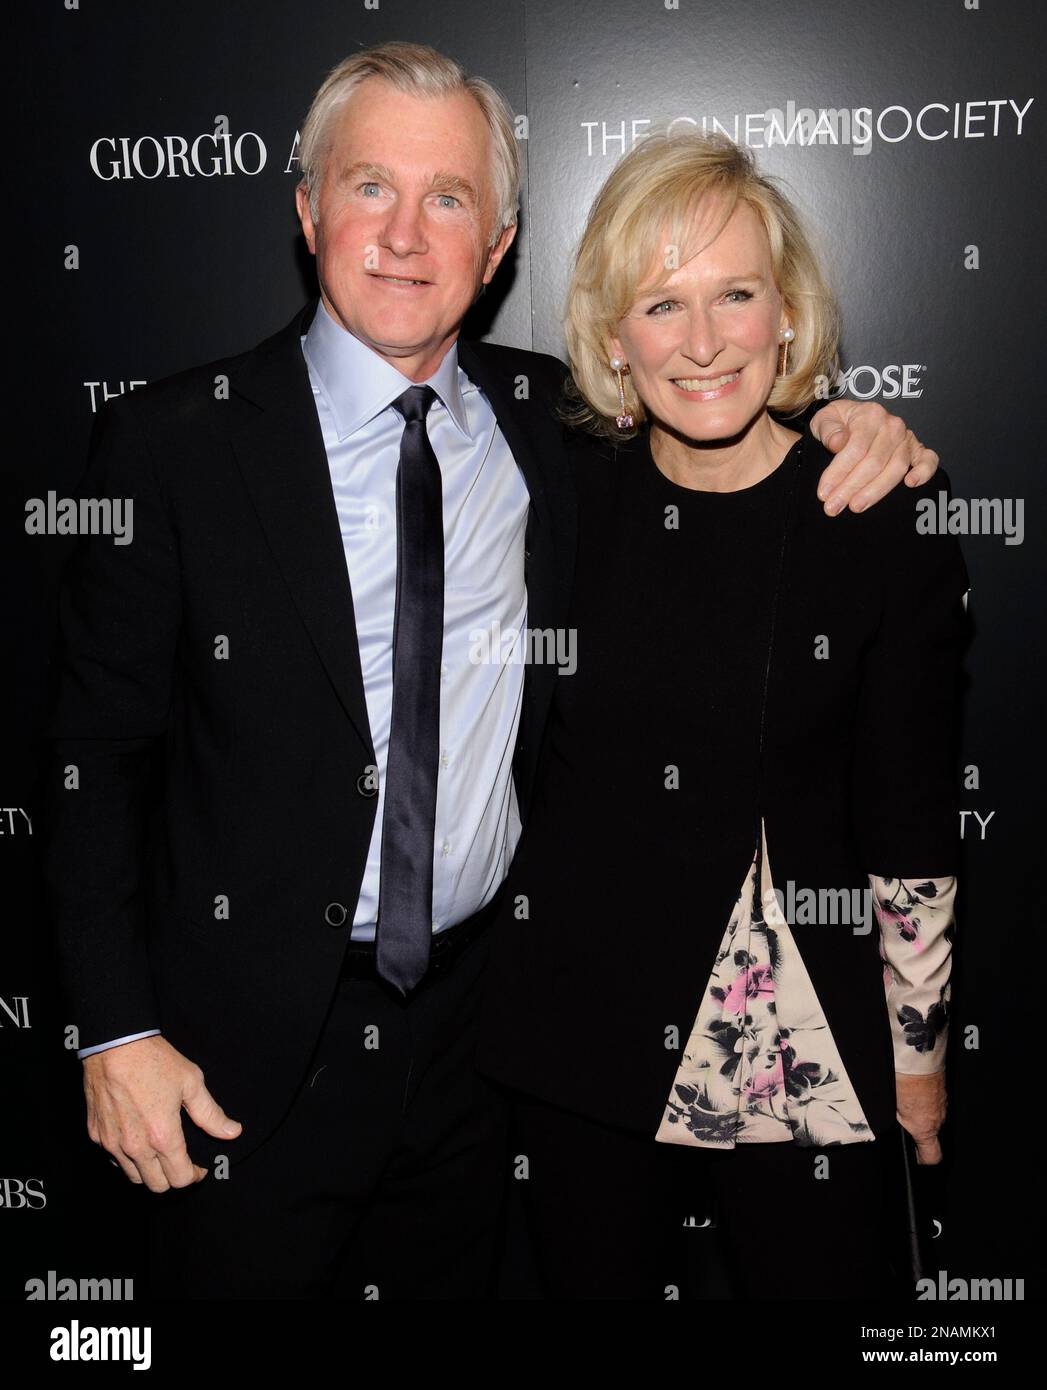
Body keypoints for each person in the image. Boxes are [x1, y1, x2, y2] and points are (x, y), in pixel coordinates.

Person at [37, 45, 939, 1300]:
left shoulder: (546, 424)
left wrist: (851, 421)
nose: (406, 235)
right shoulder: (169, 444)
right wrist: (115, 1029)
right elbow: (94, 765)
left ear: (501, 238)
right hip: (234, 1058)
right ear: (306, 210)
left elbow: (727, 425)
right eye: (370, 189)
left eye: (448, 199)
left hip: (484, 1045)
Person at [475, 130, 968, 1300]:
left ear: (787, 313)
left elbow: (910, 812)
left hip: (806, 1042)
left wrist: (919, 1057)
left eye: (736, 294)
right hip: (582, 1038)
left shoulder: (880, 510)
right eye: (661, 304)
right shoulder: (554, 480)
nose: (701, 343)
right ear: (609, 335)